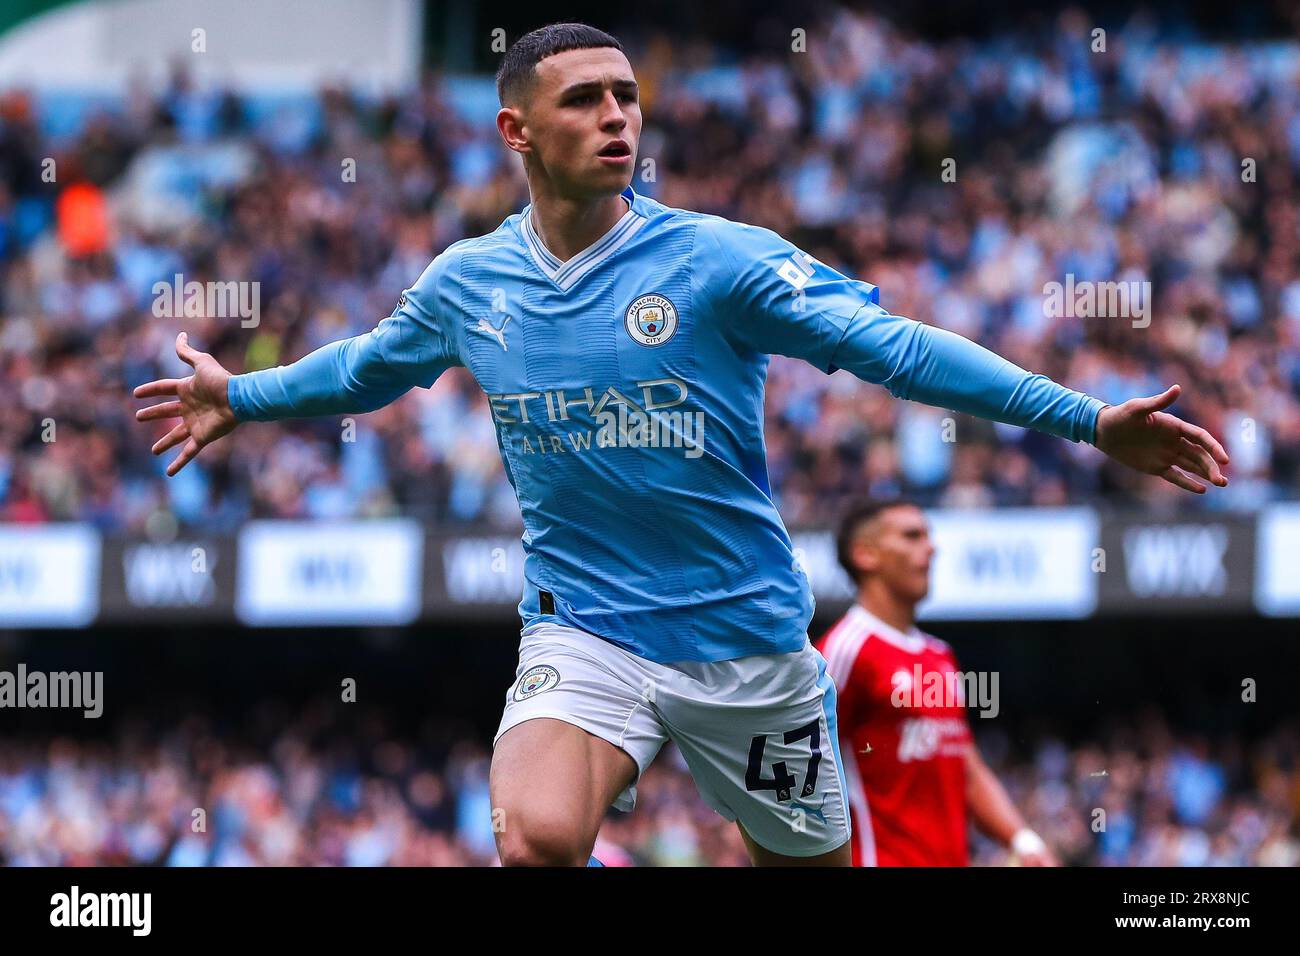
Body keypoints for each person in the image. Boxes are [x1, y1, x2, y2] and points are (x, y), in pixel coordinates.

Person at [133, 23, 1229, 866]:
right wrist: (246, 395)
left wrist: (1086, 418)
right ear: (516, 130)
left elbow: (892, 348)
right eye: (585, 99)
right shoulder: (470, 283)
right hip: (586, 627)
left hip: (745, 641)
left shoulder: (715, 261)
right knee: (536, 838)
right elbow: (372, 365)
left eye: (627, 97)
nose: (618, 117)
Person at [817, 499, 1058, 866]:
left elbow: (963, 761)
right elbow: (805, 765)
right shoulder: (845, 649)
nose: (931, 548)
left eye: (929, 536)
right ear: (865, 554)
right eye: (912, 536)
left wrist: (1022, 839)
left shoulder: (939, 654)